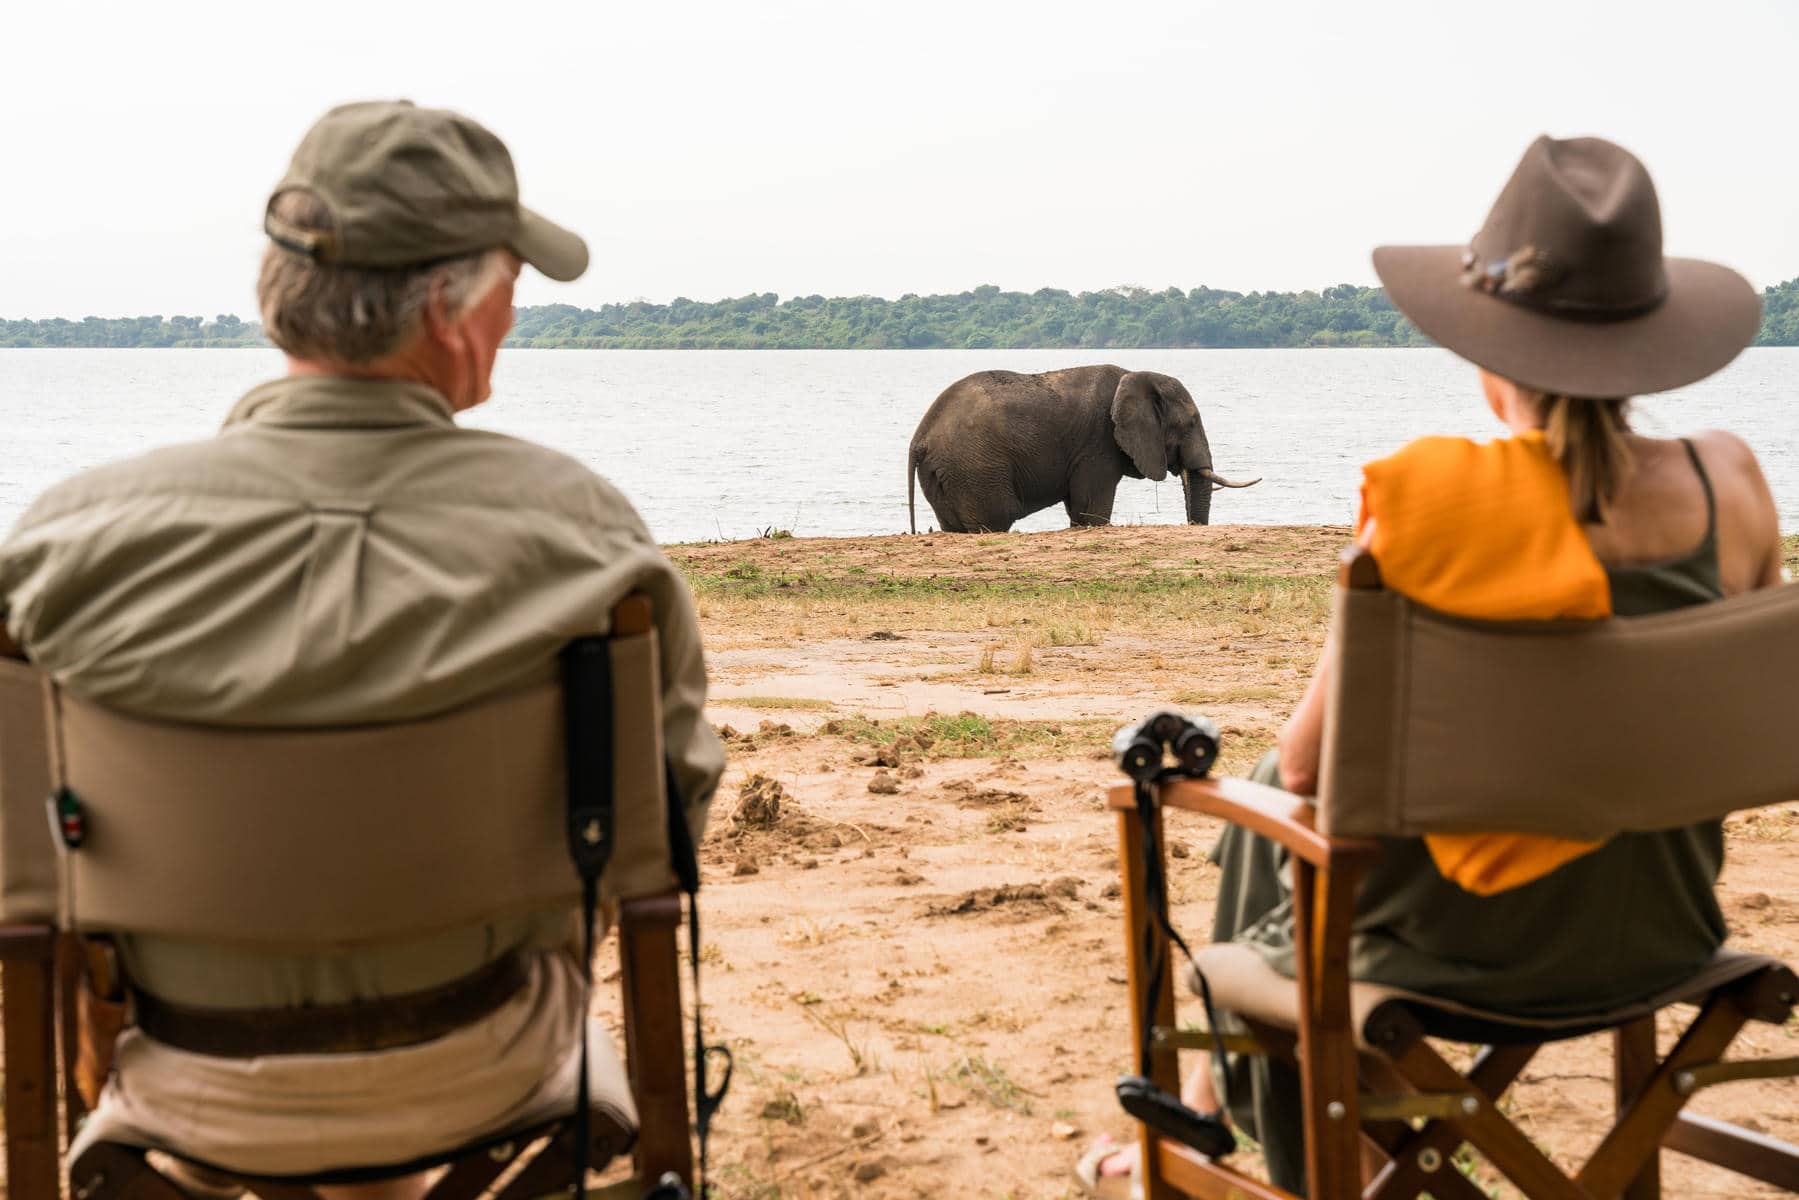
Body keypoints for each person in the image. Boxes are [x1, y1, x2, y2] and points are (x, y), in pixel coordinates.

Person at [0, 100, 725, 1199]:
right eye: (509, 287)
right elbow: (662, 831)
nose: (514, 317)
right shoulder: (582, 541)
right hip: (482, 1068)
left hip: (187, 1082)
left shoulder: (61, 550)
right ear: (444, 309)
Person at [1082, 135, 1777, 1197]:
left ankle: (1257, 1139)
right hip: (1667, 929)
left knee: (1272, 794)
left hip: (1449, 952)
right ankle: (1227, 1120)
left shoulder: (1426, 503)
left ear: (1488, 352)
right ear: (1649, 343)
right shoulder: (1731, 484)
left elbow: (1311, 767)